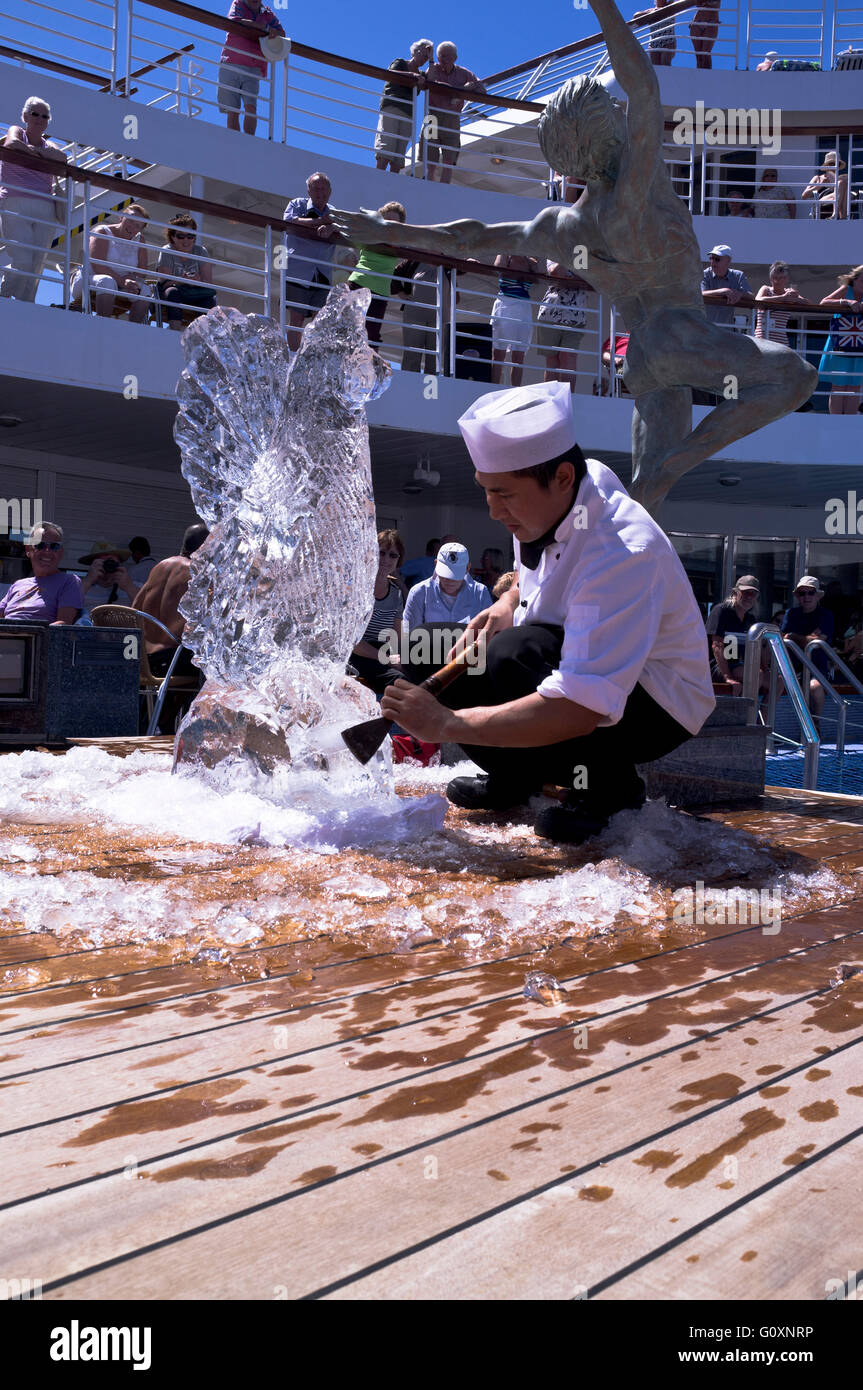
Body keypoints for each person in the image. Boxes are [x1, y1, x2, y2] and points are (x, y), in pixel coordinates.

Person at [332, 0, 816, 515]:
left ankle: (634, 558)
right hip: (679, 335)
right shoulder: (637, 183)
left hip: (647, 365)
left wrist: (393, 229)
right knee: (795, 377)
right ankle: (683, 459)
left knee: (647, 499)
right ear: (605, 130)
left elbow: (472, 238)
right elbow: (644, 85)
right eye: (611, 113)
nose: (620, 112)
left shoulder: (561, 227)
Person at [377, 381, 715, 844]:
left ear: (560, 478)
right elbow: (529, 568)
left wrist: (445, 725)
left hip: (656, 701)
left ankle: (608, 791)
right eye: (486, 491)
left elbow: (579, 707)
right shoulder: (553, 498)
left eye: (505, 494)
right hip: (567, 655)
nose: (494, 511)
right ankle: (518, 776)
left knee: (515, 653)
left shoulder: (622, 550)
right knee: (436, 650)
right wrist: (506, 602)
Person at [0, 96, 68, 302]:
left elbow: (62, 159)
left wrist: (33, 151)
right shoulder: (17, 131)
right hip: (14, 200)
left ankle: (24, 304)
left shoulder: (50, 144)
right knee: (22, 258)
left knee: (37, 262)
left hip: (45, 205)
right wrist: (39, 154)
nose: (40, 118)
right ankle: (3, 294)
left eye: (44, 116)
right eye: (35, 114)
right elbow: (11, 143)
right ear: (25, 116)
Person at [132, 523, 208, 679]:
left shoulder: (160, 566)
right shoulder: (199, 573)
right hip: (173, 662)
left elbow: (134, 608)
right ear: (207, 547)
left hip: (144, 659)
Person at [283, 172, 337, 352]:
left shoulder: (334, 214)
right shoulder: (296, 204)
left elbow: (345, 230)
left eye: (323, 189)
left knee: (319, 320)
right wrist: (321, 221)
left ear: (329, 191)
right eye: (315, 188)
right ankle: (293, 356)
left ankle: (310, 356)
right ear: (308, 191)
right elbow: (290, 221)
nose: (319, 192)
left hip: (322, 273)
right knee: (296, 319)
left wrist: (332, 227)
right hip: (298, 270)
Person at [70, 205, 151, 322]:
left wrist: (133, 279)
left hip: (122, 285)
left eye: (137, 225)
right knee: (107, 281)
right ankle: (102, 325)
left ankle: (132, 330)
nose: (132, 226)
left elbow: (142, 272)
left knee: (145, 290)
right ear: (122, 218)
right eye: (131, 220)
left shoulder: (140, 240)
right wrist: (122, 281)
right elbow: (97, 265)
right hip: (89, 280)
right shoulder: (102, 231)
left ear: (140, 229)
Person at [350, 529, 405, 695]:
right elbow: (354, 643)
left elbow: (396, 638)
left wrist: (398, 658)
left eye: (393, 555)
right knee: (401, 682)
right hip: (358, 656)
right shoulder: (357, 590)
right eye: (381, 553)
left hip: (383, 653)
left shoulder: (396, 593)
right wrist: (388, 660)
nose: (386, 559)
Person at [218, 0, 285, 136]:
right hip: (232, 62)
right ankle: (235, 141)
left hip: (253, 67)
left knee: (251, 107)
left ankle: (249, 140)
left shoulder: (267, 13)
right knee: (233, 110)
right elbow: (234, 21)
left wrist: (269, 31)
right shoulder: (238, 4)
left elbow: (282, 33)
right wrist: (262, 27)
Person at [423, 42, 486, 184]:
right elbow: (430, 80)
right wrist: (461, 89)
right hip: (432, 117)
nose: (444, 59)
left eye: (448, 56)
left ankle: (444, 189)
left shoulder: (464, 73)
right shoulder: (434, 69)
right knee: (430, 159)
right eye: (441, 56)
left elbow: (482, 90)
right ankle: (428, 187)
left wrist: (467, 89)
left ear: (455, 57)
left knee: (448, 160)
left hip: (452, 120)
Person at [347, 201, 406, 344]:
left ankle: (368, 366)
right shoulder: (369, 233)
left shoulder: (400, 241)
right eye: (386, 220)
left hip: (380, 292)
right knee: (348, 329)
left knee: (372, 335)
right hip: (358, 283)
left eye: (393, 222)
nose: (389, 224)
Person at [0, 522, 82, 624]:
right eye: (40, 545)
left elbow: (63, 625)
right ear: (28, 550)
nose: (47, 551)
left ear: (61, 552)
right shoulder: (17, 584)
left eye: (54, 546)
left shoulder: (69, 581)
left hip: (36, 638)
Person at [781, 576, 835, 728]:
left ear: (818, 595)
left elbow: (819, 639)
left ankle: (814, 725)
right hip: (791, 667)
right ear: (797, 596)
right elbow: (782, 636)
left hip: (816, 668)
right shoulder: (791, 614)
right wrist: (807, 638)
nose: (806, 597)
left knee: (815, 687)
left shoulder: (826, 615)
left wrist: (794, 636)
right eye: (802, 593)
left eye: (810, 593)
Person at [704, 576, 770, 694]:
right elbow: (717, 646)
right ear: (735, 592)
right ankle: (747, 711)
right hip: (715, 667)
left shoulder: (750, 619)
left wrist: (766, 670)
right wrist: (728, 677)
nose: (749, 596)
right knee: (756, 674)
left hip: (738, 666)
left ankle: (763, 712)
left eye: (753, 593)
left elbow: (758, 649)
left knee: (777, 681)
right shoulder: (721, 611)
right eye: (745, 592)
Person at [403, 543, 493, 629]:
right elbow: (410, 636)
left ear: (468, 568)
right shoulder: (418, 592)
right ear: (435, 564)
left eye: (455, 575)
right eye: (445, 574)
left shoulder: (481, 593)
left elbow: (487, 634)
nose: (449, 580)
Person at [375, 39, 433, 173]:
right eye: (424, 55)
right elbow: (391, 74)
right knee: (386, 146)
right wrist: (411, 75)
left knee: (399, 153)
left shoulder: (422, 74)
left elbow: (432, 78)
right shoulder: (400, 62)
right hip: (393, 106)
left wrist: (431, 59)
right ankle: (377, 177)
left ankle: (392, 182)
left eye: (427, 56)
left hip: (408, 112)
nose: (424, 59)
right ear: (416, 51)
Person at [154, 213, 216, 329]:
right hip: (175, 293)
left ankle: (204, 336)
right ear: (172, 237)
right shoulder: (167, 251)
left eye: (190, 236)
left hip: (195, 294)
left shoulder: (201, 251)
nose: (186, 240)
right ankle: (175, 331)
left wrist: (197, 281)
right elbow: (163, 283)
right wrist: (181, 281)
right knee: (172, 292)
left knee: (209, 300)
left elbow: (208, 282)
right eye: (181, 236)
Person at [535, 260, 587, 393]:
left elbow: (586, 277)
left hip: (576, 315)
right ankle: (550, 399)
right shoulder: (555, 246)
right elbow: (554, 272)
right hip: (551, 312)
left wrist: (567, 278)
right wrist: (565, 254)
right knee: (552, 360)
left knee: (568, 357)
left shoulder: (581, 250)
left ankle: (567, 398)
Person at [818, 265, 863, 415]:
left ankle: (848, 423)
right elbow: (824, 302)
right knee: (839, 384)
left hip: (859, 344)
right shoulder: (846, 289)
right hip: (841, 342)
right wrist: (846, 302)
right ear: (855, 279)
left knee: (854, 385)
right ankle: (836, 421)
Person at [490, 253, 536, 387]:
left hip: (523, 308)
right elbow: (498, 267)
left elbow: (541, 271)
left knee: (519, 355)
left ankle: (515, 390)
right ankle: (493, 387)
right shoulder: (505, 257)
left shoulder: (530, 261)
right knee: (499, 353)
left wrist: (529, 259)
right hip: (505, 305)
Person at [754, 262, 808, 348]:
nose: (777, 281)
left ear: (786, 279)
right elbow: (758, 300)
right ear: (770, 278)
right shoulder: (766, 289)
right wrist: (783, 298)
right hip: (762, 339)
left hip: (780, 341)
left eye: (781, 278)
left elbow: (808, 303)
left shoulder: (789, 292)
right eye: (774, 277)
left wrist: (796, 298)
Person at [79, 540, 139, 614]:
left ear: (119, 563)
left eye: (111, 560)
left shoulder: (136, 587)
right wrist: (88, 580)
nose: (106, 564)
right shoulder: (81, 587)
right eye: (101, 561)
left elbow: (149, 611)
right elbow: (67, 605)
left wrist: (129, 586)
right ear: (92, 565)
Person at [701, 245, 752, 328]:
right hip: (705, 329)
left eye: (717, 259)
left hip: (726, 331)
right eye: (711, 258)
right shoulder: (705, 274)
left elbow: (751, 296)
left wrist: (740, 294)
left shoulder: (738, 276)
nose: (713, 262)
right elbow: (700, 293)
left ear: (728, 261)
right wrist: (723, 291)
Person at [802, 151, 848, 221]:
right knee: (842, 186)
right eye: (832, 164)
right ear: (826, 165)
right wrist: (819, 185)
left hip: (835, 202)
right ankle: (838, 216)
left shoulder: (841, 180)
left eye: (837, 164)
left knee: (843, 183)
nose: (834, 166)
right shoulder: (818, 178)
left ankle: (842, 217)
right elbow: (804, 196)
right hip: (821, 203)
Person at [689, 0, 721, 70]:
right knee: (698, 54)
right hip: (697, 21)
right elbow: (697, 4)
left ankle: (707, 77)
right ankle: (699, 77)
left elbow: (715, 3)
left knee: (705, 52)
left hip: (711, 21)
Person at [644, 0, 676, 66]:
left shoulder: (670, 5)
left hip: (668, 40)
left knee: (665, 63)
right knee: (655, 68)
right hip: (654, 42)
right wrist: (652, 13)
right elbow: (636, 15)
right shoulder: (651, 10)